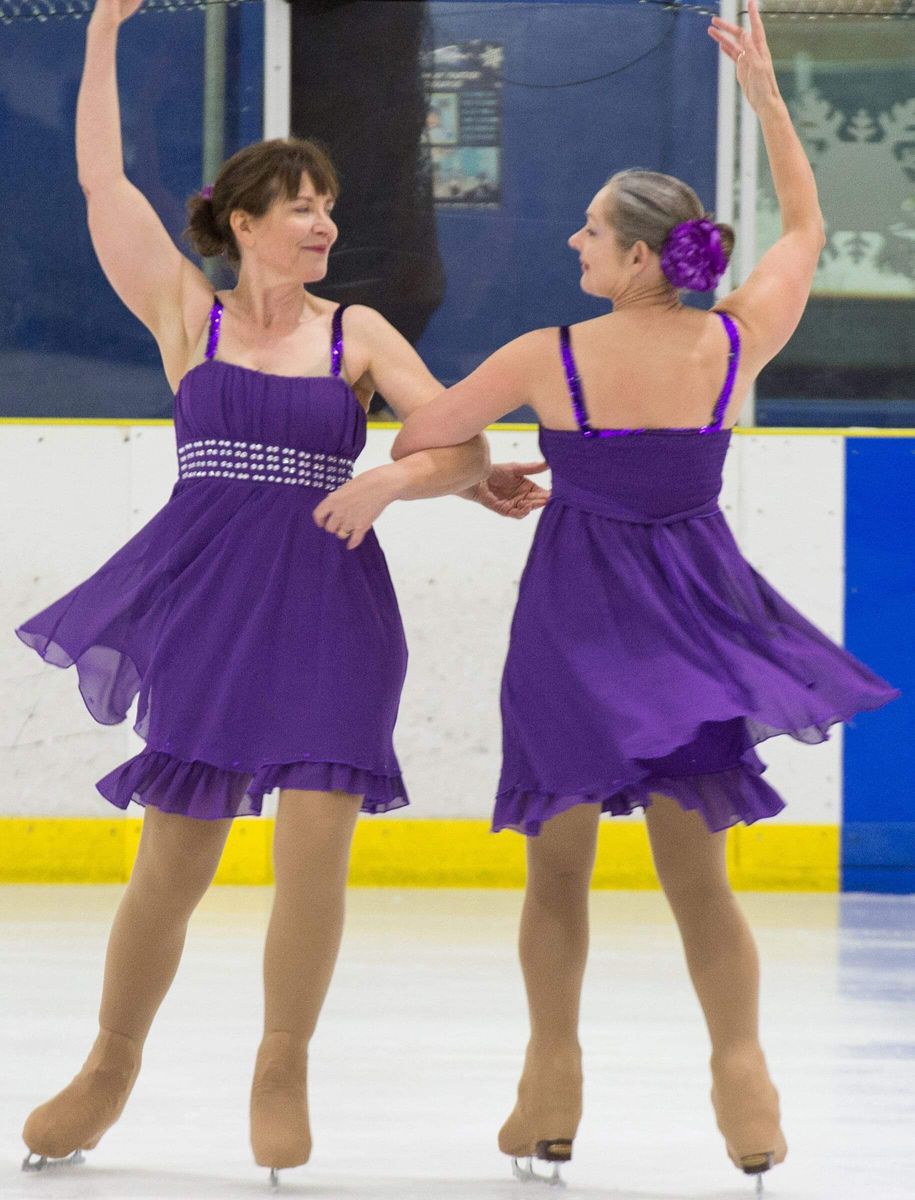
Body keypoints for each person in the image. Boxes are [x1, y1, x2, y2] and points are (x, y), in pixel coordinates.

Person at [14, 0, 545, 1182]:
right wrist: (101, 35)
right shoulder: (186, 316)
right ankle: (108, 1065)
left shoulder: (359, 333)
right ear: (245, 222)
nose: (325, 222)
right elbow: (102, 181)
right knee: (174, 860)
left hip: (330, 607)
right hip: (207, 606)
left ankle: (281, 1064)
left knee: (313, 846)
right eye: (302, 205)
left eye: (330, 205)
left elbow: (459, 439)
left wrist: (395, 483)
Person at [390, 1, 898, 1187]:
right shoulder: (735, 344)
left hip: (573, 622)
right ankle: (744, 1082)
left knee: (557, 869)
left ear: (634, 259)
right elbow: (808, 226)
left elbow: (423, 432)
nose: (575, 241)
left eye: (591, 230)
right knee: (698, 876)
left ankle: (550, 1085)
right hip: (699, 620)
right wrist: (768, 99)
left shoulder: (548, 356)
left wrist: (482, 466)